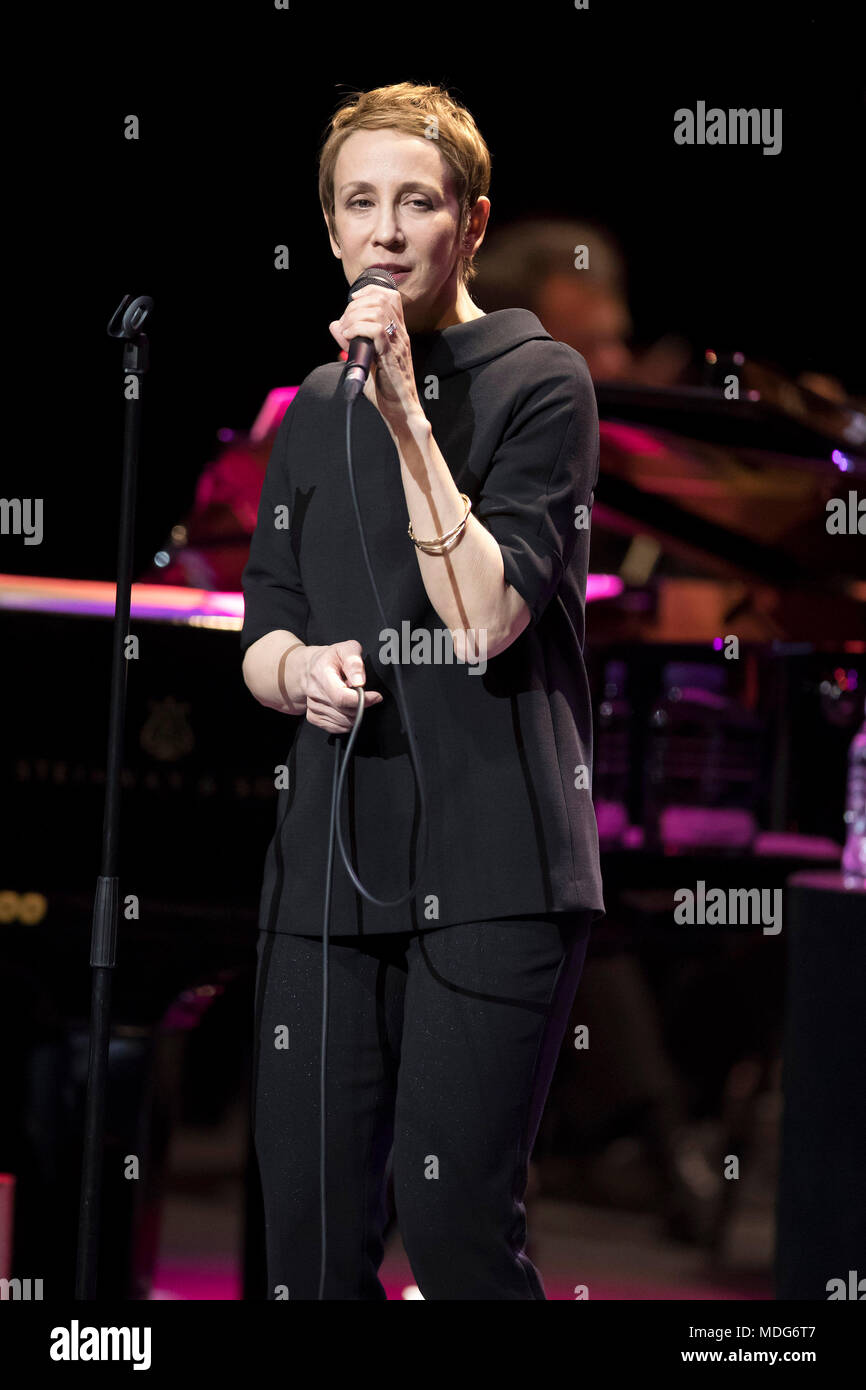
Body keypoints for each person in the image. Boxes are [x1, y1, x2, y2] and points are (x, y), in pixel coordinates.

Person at [240, 81, 604, 1300]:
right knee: (308, 1240)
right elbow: (261, 624)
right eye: (360, 204)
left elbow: (487, 618)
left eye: (418, 201)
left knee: (452, 1235)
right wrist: (297, 671)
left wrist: (404, 412)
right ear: (332, 231)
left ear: (473, 222)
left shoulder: (539, 382)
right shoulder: (308, 409)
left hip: (493, 866)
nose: (387, 229)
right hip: (329, 865)